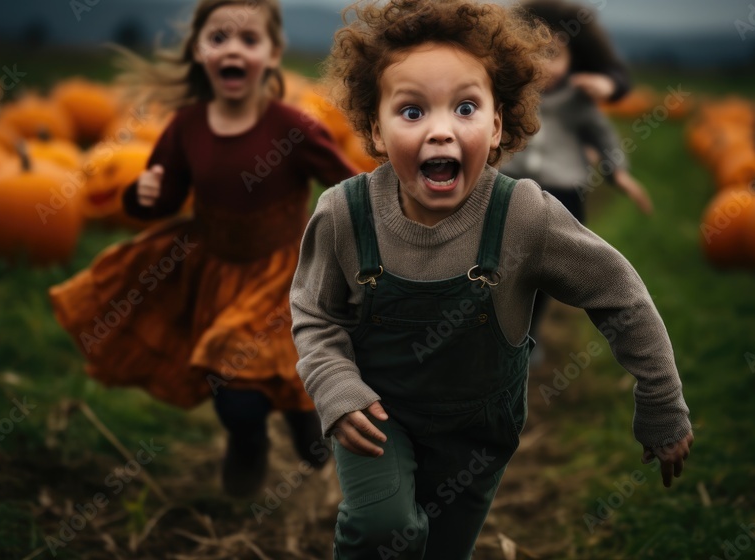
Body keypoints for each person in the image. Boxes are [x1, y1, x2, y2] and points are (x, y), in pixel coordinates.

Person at [288, 1, 693, 558]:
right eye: (411, 112)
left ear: (498, 123)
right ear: (374, 130)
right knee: (383, 531)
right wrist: (334, 386)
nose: (439, 131)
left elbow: (621, 296)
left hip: (477, 436)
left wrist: (661, 403)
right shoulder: (344, 214)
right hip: (376, 417)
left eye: (466, 107)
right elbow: (315, 312)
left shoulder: (525, 215)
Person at [49, 0, 358, 498]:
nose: (233, 49)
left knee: (299, 402)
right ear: (199, 51)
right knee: (237, 393)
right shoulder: (187, 127)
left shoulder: (292, 128)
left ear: (272, 53)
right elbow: (164, 196)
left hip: (284, 273)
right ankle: (247, 445)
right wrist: (141, 195)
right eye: (219, 38)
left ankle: (305, 418)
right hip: (213, 270)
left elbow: (347, 186)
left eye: (249, 39)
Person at [501, 0, 654, 345]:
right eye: (536, 54)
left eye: (555, 55)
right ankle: (501, 328)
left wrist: (619, 174)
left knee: (545, 271)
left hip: (563, 193)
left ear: (573, 59)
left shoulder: (577, 101)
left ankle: (527, 335)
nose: (546, 66)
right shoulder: (509, 97)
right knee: (507, 266)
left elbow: (603, 136)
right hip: (513, 189)